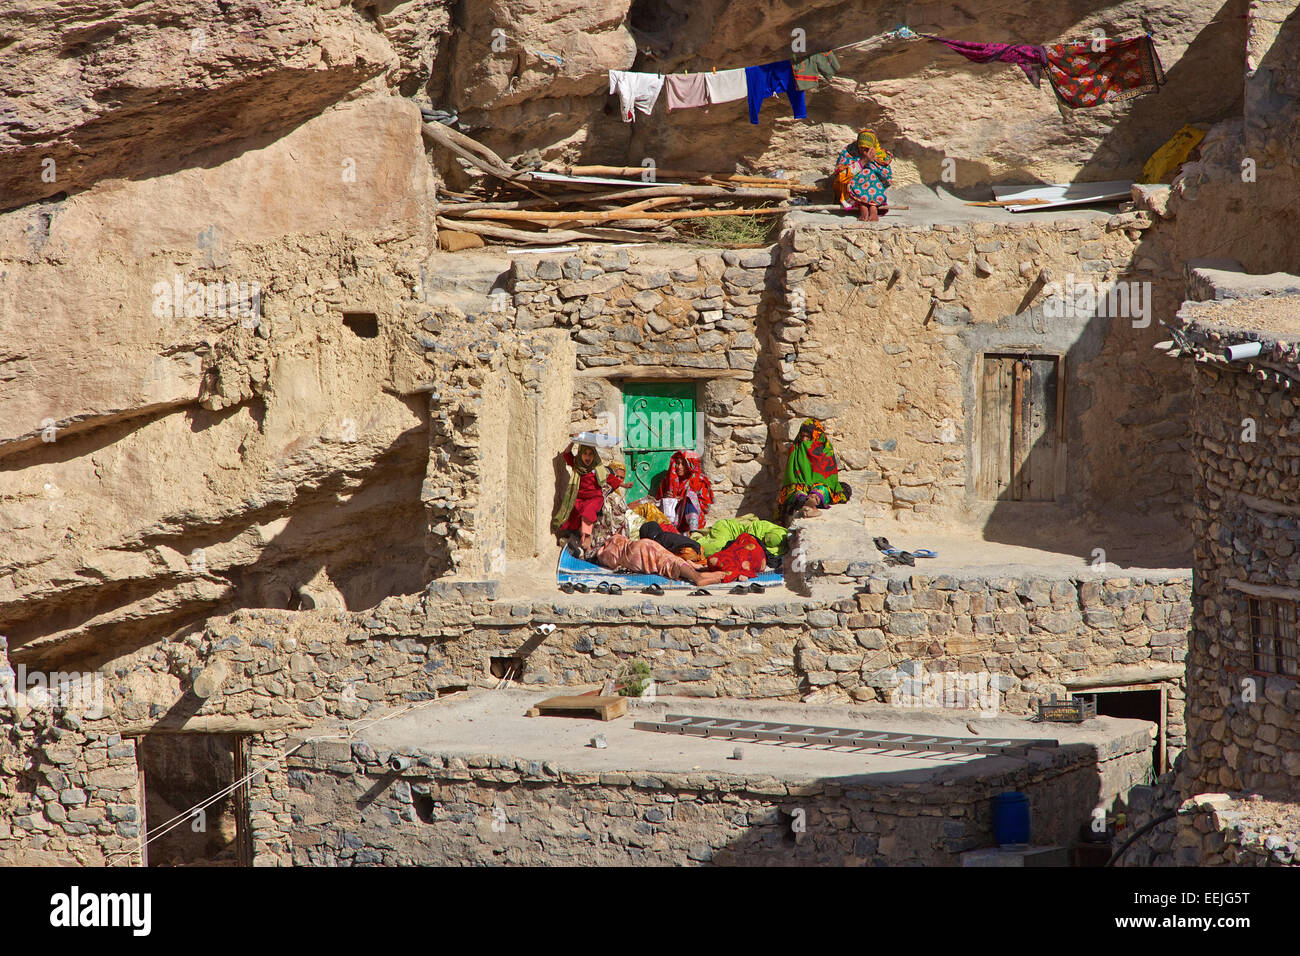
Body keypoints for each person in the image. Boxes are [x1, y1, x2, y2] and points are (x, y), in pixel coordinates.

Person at [777, 418, 852, 524]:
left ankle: (813, 499)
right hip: (800, 485)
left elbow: (829, 478)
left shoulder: (825, 450)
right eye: (802, 436)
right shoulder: (796, 448)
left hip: (818, 485)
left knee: (823, 490)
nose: (804, 439)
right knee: (795, 492)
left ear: (816, 436)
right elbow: (791, 477)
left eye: (808, 436)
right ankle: (804, 500)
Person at [593, 533, 729, 587]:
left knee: (665, 566)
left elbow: (612, 564)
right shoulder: (614, 538)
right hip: (641, 545)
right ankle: (697, 576)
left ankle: (697, 575)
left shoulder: (603, 555)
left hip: (633, 559)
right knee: (668, 561)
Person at [552, 439, 607, 550]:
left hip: (594, 498)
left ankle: (586, 539)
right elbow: (566, 453)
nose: (588, 457)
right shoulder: (577, 464)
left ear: (594, 455)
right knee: (573, 510)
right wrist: (573, 441)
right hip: (580, 497)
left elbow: (609, 478)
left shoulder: (597, 467)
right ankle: (575, 537)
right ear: (580, 454)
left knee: (588, 510)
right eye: (585, 453)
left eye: (591, 454)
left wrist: (623, 485)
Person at [834, 128, 893, 222]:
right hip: (850, 190)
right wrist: (863, 162)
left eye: (867, 148)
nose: (864, 151)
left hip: (874, 191)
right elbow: (841, 177)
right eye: (861, 148)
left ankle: (873, 208)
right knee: (863, 172)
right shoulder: (849, 153)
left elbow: (887, 179)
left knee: (869, 173)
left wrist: (871, 166)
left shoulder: (880, 156)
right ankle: (863, 208)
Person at [654, 450, 714, 533]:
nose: (679, 467)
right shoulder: (668, 480)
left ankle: (693, 532)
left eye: (683, 464)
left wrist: (684, 500)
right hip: (674, 518)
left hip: (691, 519)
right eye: (677, 463)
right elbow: (656, 502)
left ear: (691, 465)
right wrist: (665, 497)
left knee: (690, 496)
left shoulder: (699, 481)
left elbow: (706, 507)